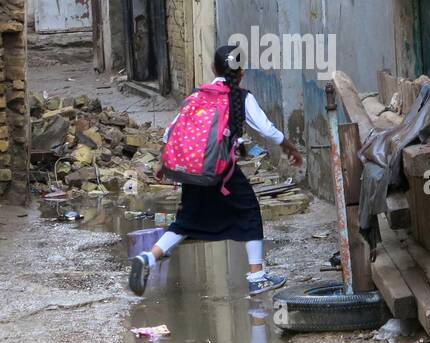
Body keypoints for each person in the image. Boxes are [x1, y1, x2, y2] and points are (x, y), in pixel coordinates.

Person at [128, 43, 303, 296]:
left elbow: (171, 130)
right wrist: (290, 148)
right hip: (222, 173)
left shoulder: (197, 95)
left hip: (193, 170)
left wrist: (162, 163)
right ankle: (257, 276)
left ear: (213, 67)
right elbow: (267, 130)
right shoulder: (241, 97)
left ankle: (148, 259)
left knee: (185, 221)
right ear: (241, 71)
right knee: (250, 212)